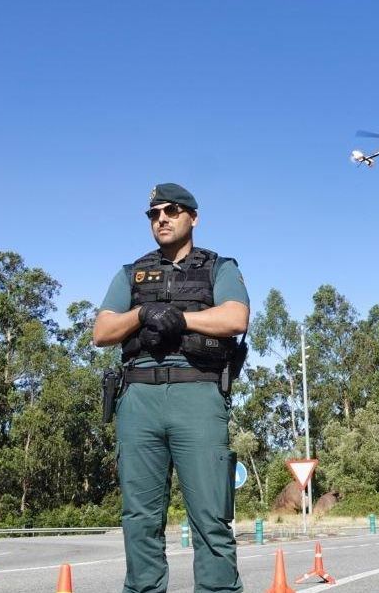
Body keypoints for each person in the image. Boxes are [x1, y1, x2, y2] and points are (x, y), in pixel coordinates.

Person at [93, 183, 249, 593]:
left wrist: (179, 318)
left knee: (210, 517)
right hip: (138, 399)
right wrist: (143, 312)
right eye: (154, 213)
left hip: (196, 395)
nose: (161, 218)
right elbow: (103, 330)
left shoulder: (219, 268)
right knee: (139, 519)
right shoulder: (132, 272)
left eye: (172, 210)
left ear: (192, 217)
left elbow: (235, 317)